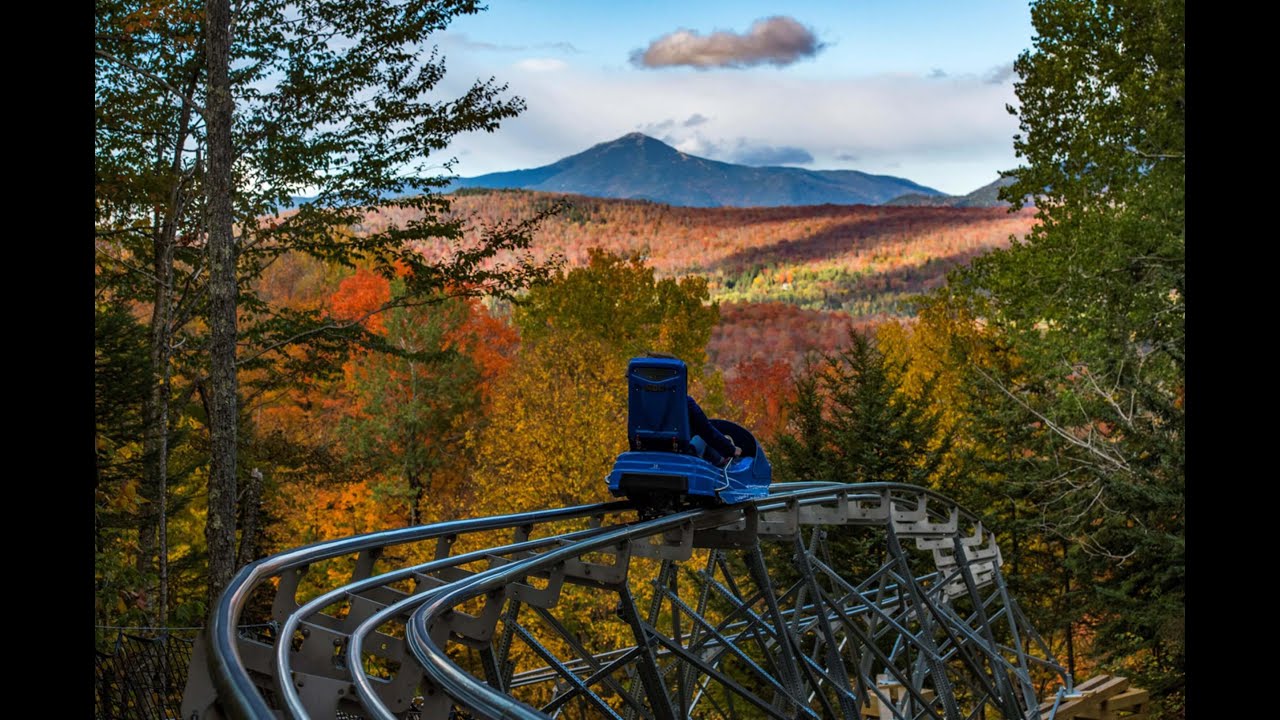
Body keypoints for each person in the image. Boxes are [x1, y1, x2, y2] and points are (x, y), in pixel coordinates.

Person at [686, 394, 741, 467]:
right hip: (684, 453)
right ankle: (722, 461)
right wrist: (731, 450)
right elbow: (706, 430)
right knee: (701, 437)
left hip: (671, 455)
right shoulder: (685, 401)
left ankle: (721, 460)